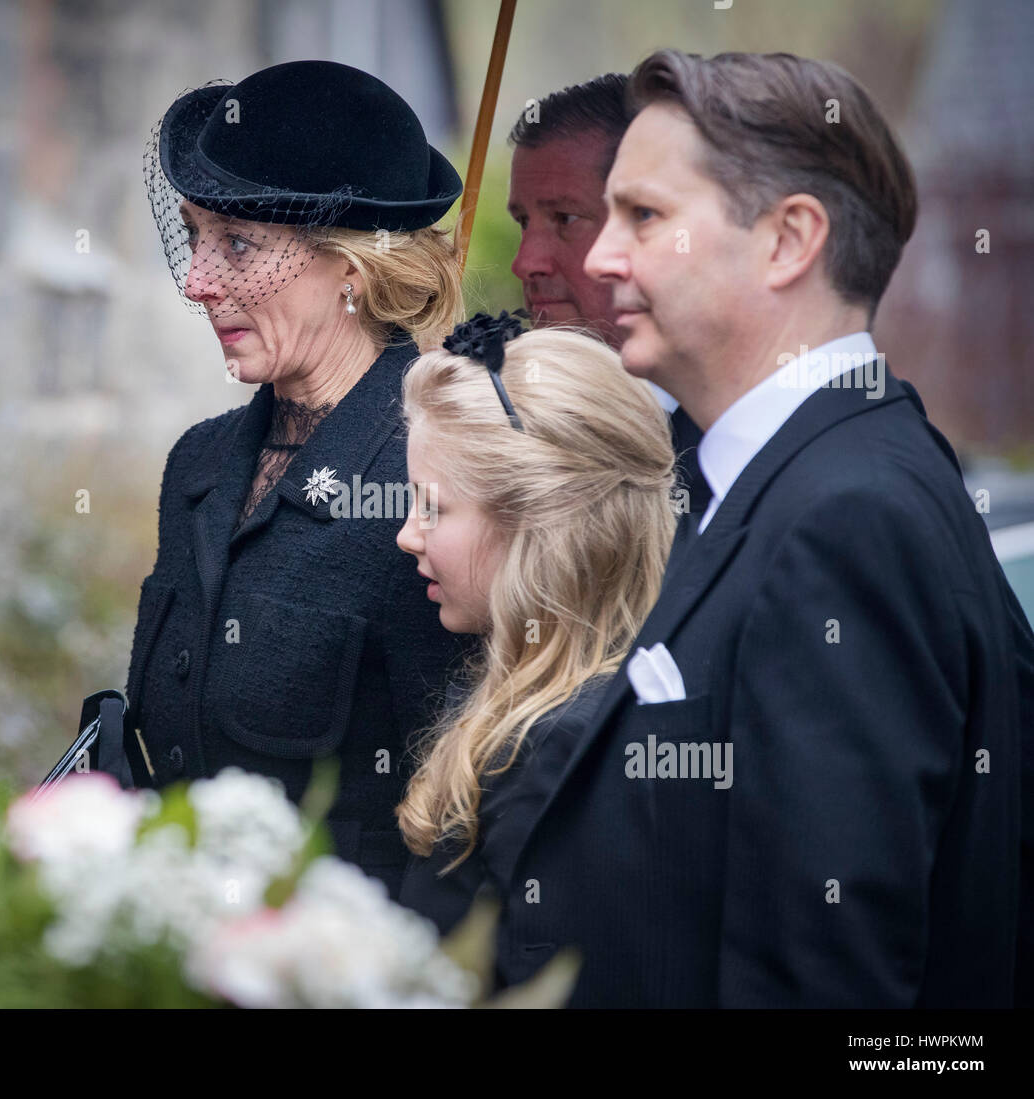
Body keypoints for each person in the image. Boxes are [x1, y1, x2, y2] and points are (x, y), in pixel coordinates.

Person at [475, 47, 1024, 1007]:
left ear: (788, 240)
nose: (602, 256)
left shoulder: (846, 518)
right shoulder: (766, 471)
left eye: (644, 216)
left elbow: (825, 975)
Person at [107, 60, 479, 901]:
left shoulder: (441, 472)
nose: (199, 280)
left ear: (352, 266)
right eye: (194, 234)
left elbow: (466, 816)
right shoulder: (198, 465)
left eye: (237, 243)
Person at [394, 315, 676, 949]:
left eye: (433, 505)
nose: (406, 534)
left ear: (537, 520)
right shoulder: (552, 703)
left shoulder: (560, 746)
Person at [507, 75, 709, 514]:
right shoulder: (502, 424)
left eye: (565, 218)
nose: (524, 262)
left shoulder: (733, 455)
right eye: (523, 221)